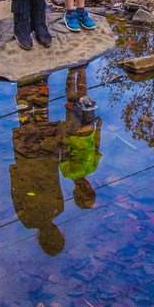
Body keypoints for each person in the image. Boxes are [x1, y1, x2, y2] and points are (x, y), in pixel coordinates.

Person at [9, 81, 66, 256]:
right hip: (39, 158)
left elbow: (17, 193)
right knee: (34, 120)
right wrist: (14, 172)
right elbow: (17, 192)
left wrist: (14, 172)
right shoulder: (52, 210)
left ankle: (28, 85)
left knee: (33, 120)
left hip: (37, 159)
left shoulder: (55, 209)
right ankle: (32, 86)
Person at [59, 66, 102, 210]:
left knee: (73, 99)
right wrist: (98, 128)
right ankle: (79, 68)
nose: (85, 187)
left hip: (76, 131)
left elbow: (64, 149)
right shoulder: (91, 167)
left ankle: (73, 69)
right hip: (87, 129)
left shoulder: (69, 172)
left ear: (76, 192)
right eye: (88, 191)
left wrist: (63, 132)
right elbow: (96, 145)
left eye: (83, 192)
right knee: (81, 96)